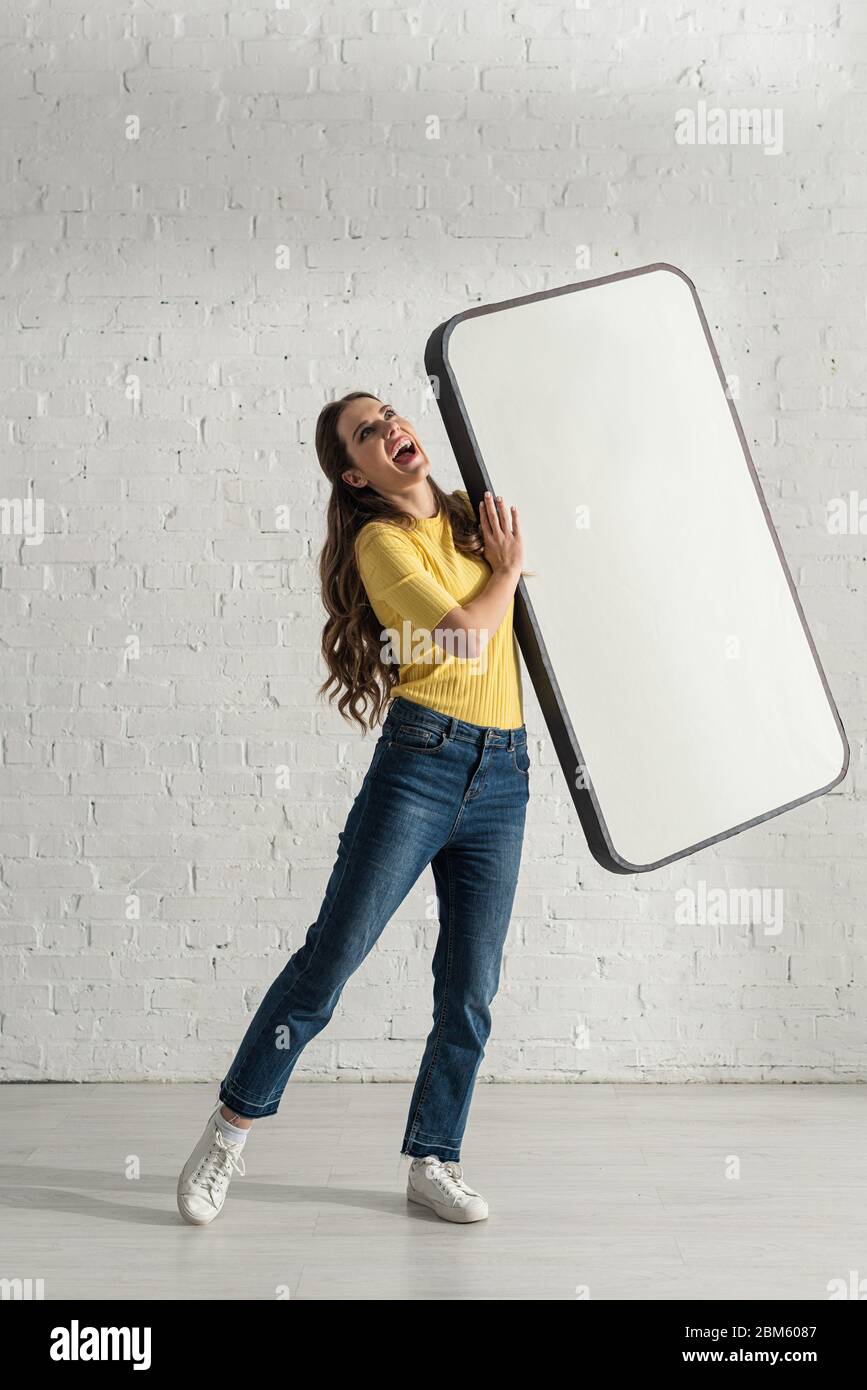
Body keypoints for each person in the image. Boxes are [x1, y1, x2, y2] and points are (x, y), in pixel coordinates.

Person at [177, 391, 530, 1226]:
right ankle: (228, 1132)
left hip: (507, 770)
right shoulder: (381, 541)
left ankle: (433, 1159)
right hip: (424, 764)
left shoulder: (469, 519)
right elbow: (462, 639)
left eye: (391, 416)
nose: (391, 429)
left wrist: (507, 556)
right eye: (366, 433)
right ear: (353, 471)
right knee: (329, 962)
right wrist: (508, 569)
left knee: (470, 987)